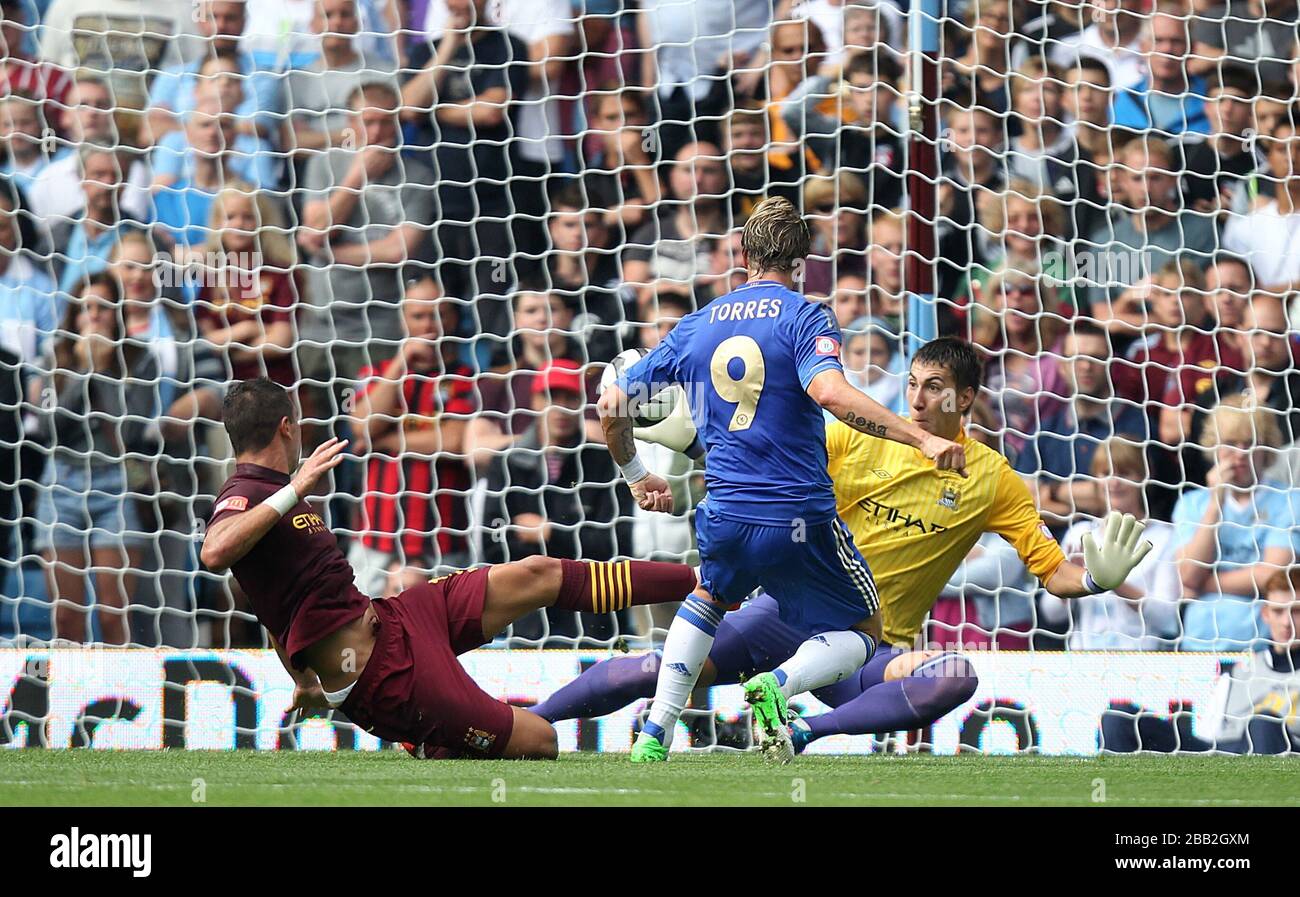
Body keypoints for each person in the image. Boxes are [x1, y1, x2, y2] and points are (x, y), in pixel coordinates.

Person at [540, 337, 1154, 755]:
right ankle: (530, 722)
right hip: (783, 616)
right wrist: (695, 442)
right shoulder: (856, 437)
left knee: (955, 679)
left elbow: (1051, 573)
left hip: (870, 646)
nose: (915, 398)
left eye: (933, 387)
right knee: (660, 670)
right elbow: (769, 469)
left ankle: (799, 731)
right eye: (912, 383)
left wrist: (1094, 578)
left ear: (964, 398)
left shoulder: (994, 480)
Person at [598, 197, 968, 762]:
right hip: (798, 513)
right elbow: (829, 393)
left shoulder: (696, 324)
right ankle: (781, 685)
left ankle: (655, 732)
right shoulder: (805, 315)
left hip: (723, 511)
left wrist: (635, 473)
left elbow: (613, 399)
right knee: (868, 626)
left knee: (708, 596)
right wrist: (922, 438)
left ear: (743, 255)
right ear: (803, 262)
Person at [199, 377, 700, 760]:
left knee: (538, 572)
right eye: (299, 425)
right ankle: (429, 737)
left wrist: (306, 682)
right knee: (540, 740)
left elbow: (269, 600)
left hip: (394, 617)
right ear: (287, 427)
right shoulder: (246, 494)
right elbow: (214, 552)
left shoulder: (272, 506)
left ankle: (706, 580)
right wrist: (297, 486)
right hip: (385, 676)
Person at [35, 273, 161, 644]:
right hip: (61, 484)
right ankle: (70, 700)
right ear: (73, 317)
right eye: (85, 309)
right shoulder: (53, 358)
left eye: (103, 308)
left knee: (113, 614)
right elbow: (50, 427)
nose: (94, 316)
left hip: (116, 485)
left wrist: (103, 370)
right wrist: (82, 371)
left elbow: (131, 431)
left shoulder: (140, 359)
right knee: (66, 617)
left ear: (117, 315)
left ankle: (119, 698)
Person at [346, 279, 476, 597]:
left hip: (442, 540)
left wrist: (386, 441)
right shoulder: (377, 374)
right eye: (419, 316)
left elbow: (455, 441)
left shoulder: (465, 377)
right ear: (403, 319)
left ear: (452, 319)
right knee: (364, 632)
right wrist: (402, 361)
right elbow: (362, 426)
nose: (429, 325)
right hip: (376, 537)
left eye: (438, 315)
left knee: (445, 635)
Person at [1174, 395, 1296, 652]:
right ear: (1214, 447)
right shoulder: (1192, 503)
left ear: (1266, 449)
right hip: (1199, 642)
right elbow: (1187, 573)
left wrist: (1205, 583)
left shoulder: (1289, 500)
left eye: (1250, 444)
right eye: (1230, 444)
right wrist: (1215, 500)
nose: (1240, 454)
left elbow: (1273, 575)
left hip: (1259, 644)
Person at [1041, 438, 1181, 651]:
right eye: (1106, 473)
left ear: (1144, 477)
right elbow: (1051, 613)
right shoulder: (1080, 533)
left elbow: (1167, 618)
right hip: (1083, 661)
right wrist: (1072, 582)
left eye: (1124, 474)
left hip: (1142, 662)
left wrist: (1113, 581)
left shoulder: (1164, 536)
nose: (1114, 482)